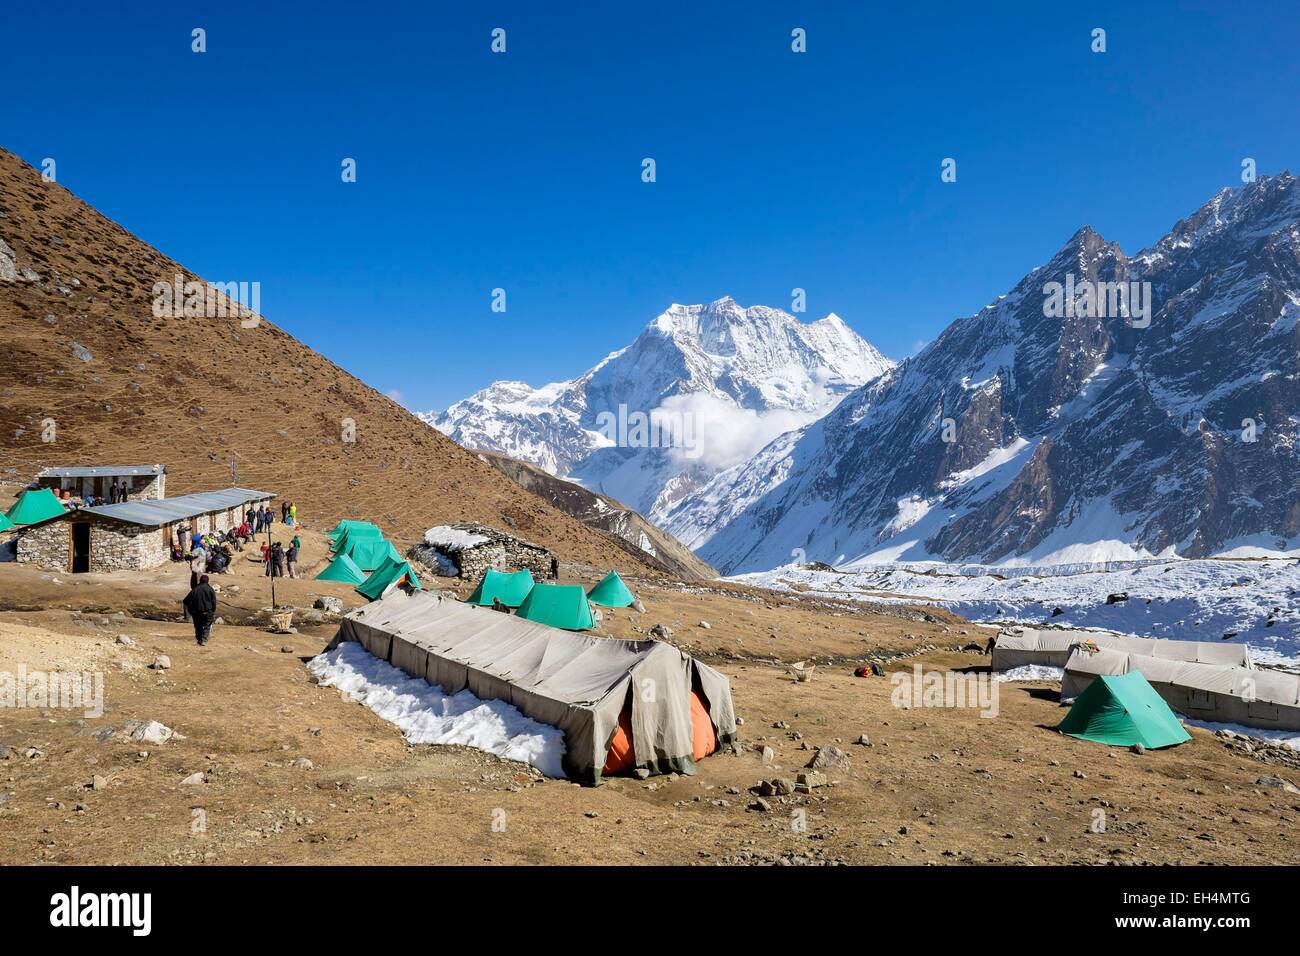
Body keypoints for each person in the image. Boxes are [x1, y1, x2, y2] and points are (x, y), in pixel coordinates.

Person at [183, 574, 217, 646]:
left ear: (200, 581)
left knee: (198, 627)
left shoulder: (195, 589)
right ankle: (204, 639)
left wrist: (189, 613)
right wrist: (213, 611)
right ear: (207, 581)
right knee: (207, 626)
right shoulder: (210, 589)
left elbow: (186, 601)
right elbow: (214, 602)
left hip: (197, 612)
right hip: (208, 612)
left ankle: (199, 640)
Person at [184, 546, 207, 620]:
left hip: (197, 590)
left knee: (187, 602)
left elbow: (196, 584)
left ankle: (188, 617)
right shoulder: (200, 564)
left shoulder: (197, 571)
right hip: (199, 589)